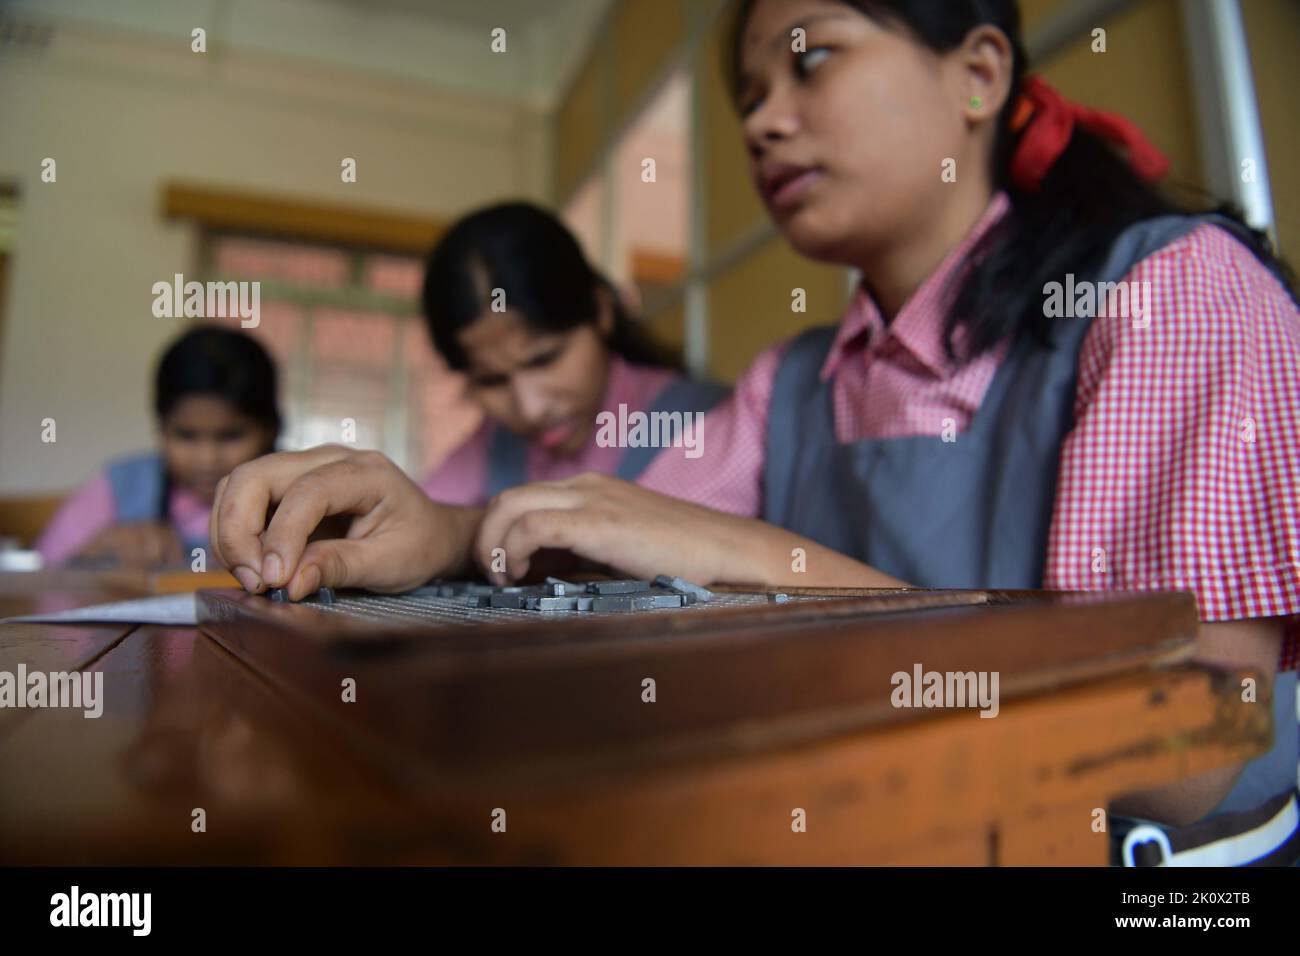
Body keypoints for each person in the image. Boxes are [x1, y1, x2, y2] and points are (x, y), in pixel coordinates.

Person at [208, 0, 1299, 863]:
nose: (764, 120)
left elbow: (1190, 755)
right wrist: (446, 533)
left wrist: (757, 556)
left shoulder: (1173, 293)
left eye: (809, 59)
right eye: (748, 93)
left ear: (976, 74)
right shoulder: (790, 380)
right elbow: (611, 530)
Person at [419, 201, 728, 505]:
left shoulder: (705, 424)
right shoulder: (496, 443)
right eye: (491, 380)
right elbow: (428, 513)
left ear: (601, 310)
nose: (531, 408)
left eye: (545, 358)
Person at [38, 324, 280, 568]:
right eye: (186, 435)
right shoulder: (120, 487)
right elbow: (45, 577)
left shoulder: (294, 492)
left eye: (230, 435)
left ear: (271, 429)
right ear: (161, 428)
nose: (207, 459)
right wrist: (96, 553)